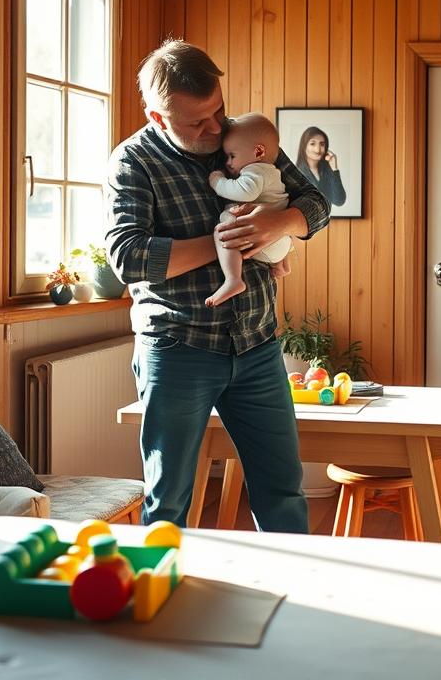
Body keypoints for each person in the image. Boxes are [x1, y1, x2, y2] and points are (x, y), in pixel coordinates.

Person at [104, 39, 329, 532]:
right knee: (169, 502)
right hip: (177, 347)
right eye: (196, 122)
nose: (214, 129)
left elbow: (316, 201)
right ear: (158, 118)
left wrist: (280, 222)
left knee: (283, 491)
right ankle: (164, 603)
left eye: (218, 111)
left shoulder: (241, 136)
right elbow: (128, 256)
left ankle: (295, 602)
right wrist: (225, 238)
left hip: (258, 344)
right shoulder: (133, 162)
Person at [206, 113, 292, 307]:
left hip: (267, 241)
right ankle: (280, 263)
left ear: (258, 151)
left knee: (225, 224)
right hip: (280, 242)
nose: (228, 163)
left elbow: (245, 192)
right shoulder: (270, 170)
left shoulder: (255, 170)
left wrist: (218, 181)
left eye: (232, 156)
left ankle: (233, 279)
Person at [294, 126, 347, 207]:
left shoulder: (326, 171)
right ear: (304, 147)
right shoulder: (297, 174)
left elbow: (339, 201)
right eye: (312, 144)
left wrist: (334, 169)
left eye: (322, 144)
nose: (318, 149)